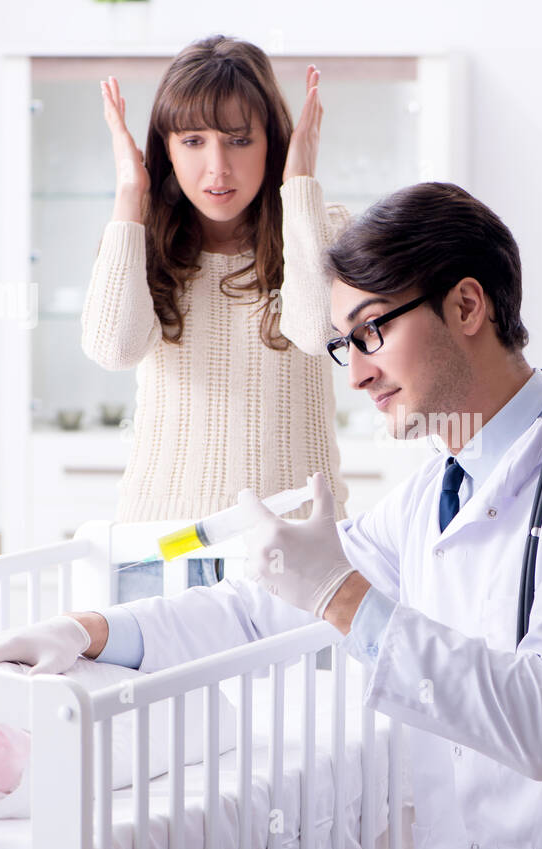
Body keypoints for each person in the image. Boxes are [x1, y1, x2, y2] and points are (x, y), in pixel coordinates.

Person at [0, 182, 542, 849]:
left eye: (373, 331)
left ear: (467, 303)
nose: (356, 371)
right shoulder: (436, 489)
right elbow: (257, 607)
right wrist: (88, 630)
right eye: (343, 345)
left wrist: (344, 594)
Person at [81, 35, 350, 602]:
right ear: (167, 148)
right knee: (153, 693)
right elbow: (113, 348)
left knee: (294, 696)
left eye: (239, 140)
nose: (217, 167)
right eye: (194, 141)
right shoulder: (141, 242)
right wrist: (131, 195)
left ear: (272, 142)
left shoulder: (320, 229)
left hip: (289, 546)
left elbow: (316, 330)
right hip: (163, 544)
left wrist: (298, 183)